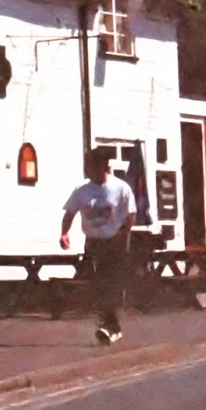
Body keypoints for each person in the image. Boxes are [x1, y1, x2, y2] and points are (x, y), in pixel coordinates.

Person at [60, 146, 136, 345]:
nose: (87, 169)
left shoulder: (120, 188)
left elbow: (131, 215)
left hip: (114, 242)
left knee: (110, 283)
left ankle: (109, 326)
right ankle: (112, 327)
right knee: (97, 284)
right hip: (93, 242)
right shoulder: (82, 191)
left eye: (90, 165)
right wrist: (64, 233)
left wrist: (121, 235)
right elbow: (70, 213)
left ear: (103, 166)